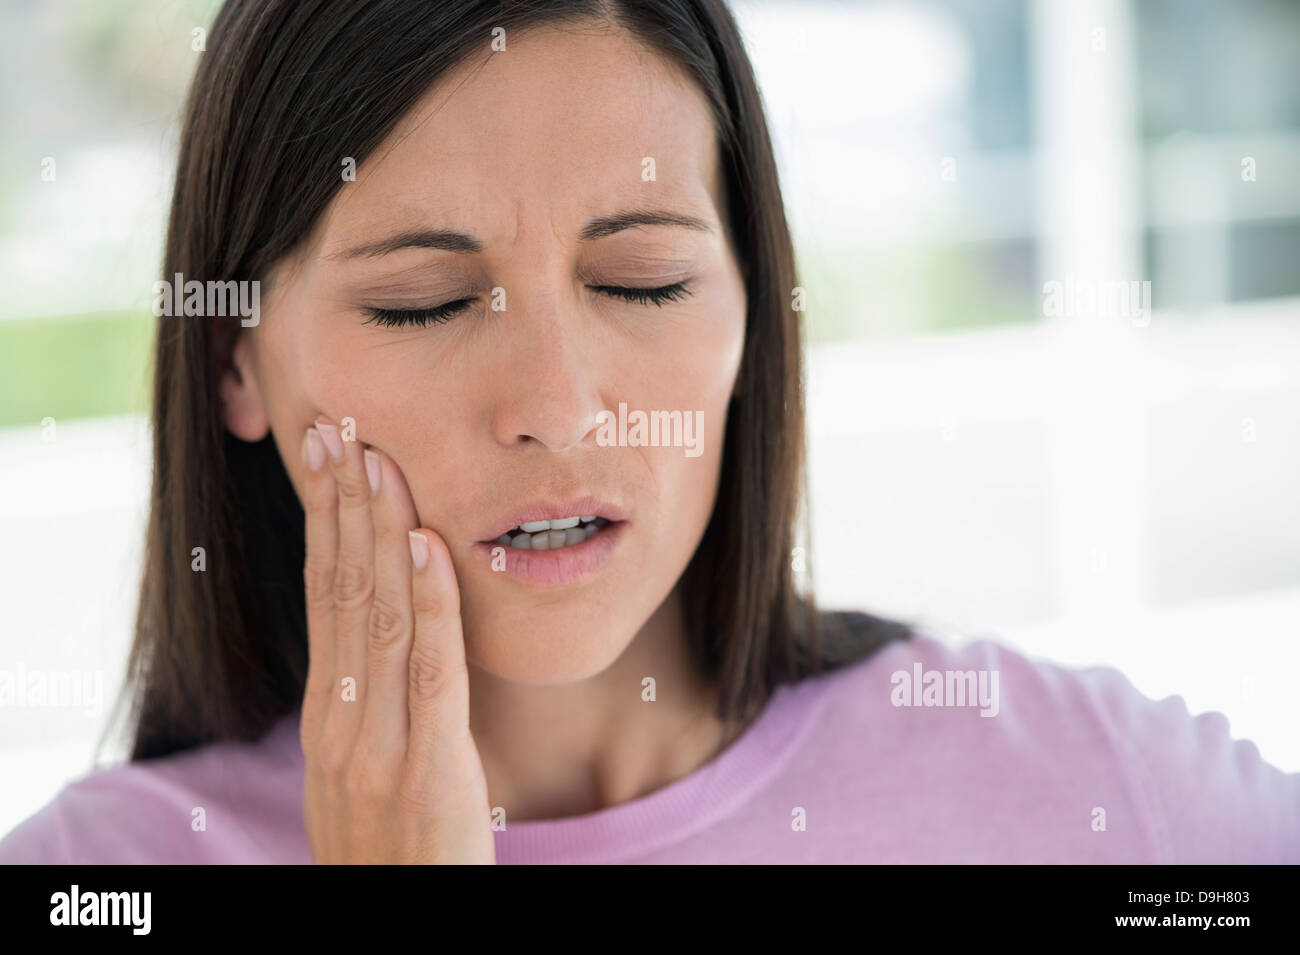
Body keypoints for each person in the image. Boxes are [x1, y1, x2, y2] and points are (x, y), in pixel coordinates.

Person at [2, 0, 1296, 864]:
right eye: (425, 303)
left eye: (642, 283)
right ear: (236, 359)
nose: (560, 407)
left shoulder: (1101, 797)